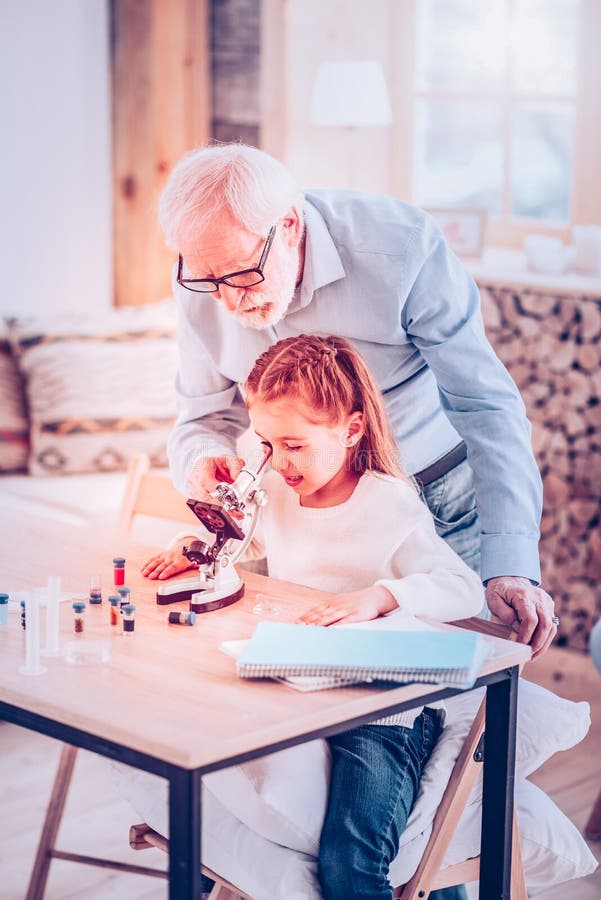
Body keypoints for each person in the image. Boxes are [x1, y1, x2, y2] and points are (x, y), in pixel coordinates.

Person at [158, 142, 556, 668]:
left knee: (447, 686)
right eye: (209, 283)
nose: (229, 302)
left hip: (434, 497)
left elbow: (486, 406)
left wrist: (511, 565)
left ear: (290, 226)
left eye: (241, 275)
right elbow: (202, 418)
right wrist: (201, 463)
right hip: (304, 510)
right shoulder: (206, 271)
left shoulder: (401, 249)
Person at [143, 334, 485, 900]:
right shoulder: (277, 488)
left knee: (354, 858)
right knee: (198, 809)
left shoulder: (388, 503)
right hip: (299, 686)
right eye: (267, 443)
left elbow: (461, 588)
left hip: (380, 706)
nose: (278, 461)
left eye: (294, 445)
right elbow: (241, 544)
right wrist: (196, 545)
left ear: (351, 431)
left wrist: (380, 596)